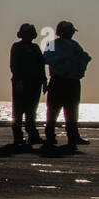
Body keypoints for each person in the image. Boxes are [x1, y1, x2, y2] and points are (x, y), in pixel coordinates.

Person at [42, 20, 91, 150]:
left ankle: (73, 137)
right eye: (70, 31)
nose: (72, 33)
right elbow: (46, 58)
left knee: (72, 110)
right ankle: (50, 136)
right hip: (59, 80)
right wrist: (62, 58)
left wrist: (84, 58)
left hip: (73, 81)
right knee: (53, 110)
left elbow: (81, 59)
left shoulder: (75, 44)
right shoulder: (52, 44)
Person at [9, 23, 46, 146]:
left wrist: (44, 80)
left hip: (35, 83)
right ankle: (18, 136)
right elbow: (14, 65)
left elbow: (41, 65)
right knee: (18, 110)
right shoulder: (17, 47)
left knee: (32, 110)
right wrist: (19, 81)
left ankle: (32, 134)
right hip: (22, 83)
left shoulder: (35, 48)